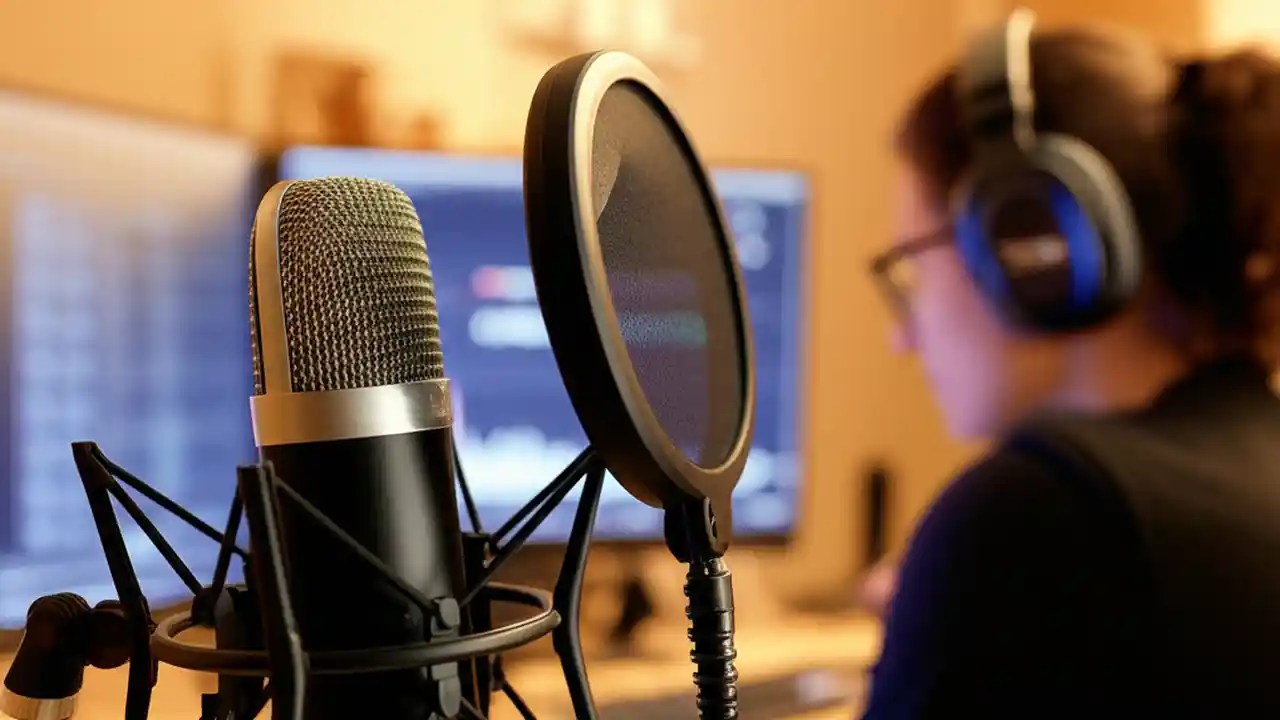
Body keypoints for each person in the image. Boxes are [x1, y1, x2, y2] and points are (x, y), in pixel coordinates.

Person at [861, 11, 1280, 719]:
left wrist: (954, 606)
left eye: (913, 269)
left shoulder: (1036, 512)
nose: (902, 338)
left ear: (1028, 243)